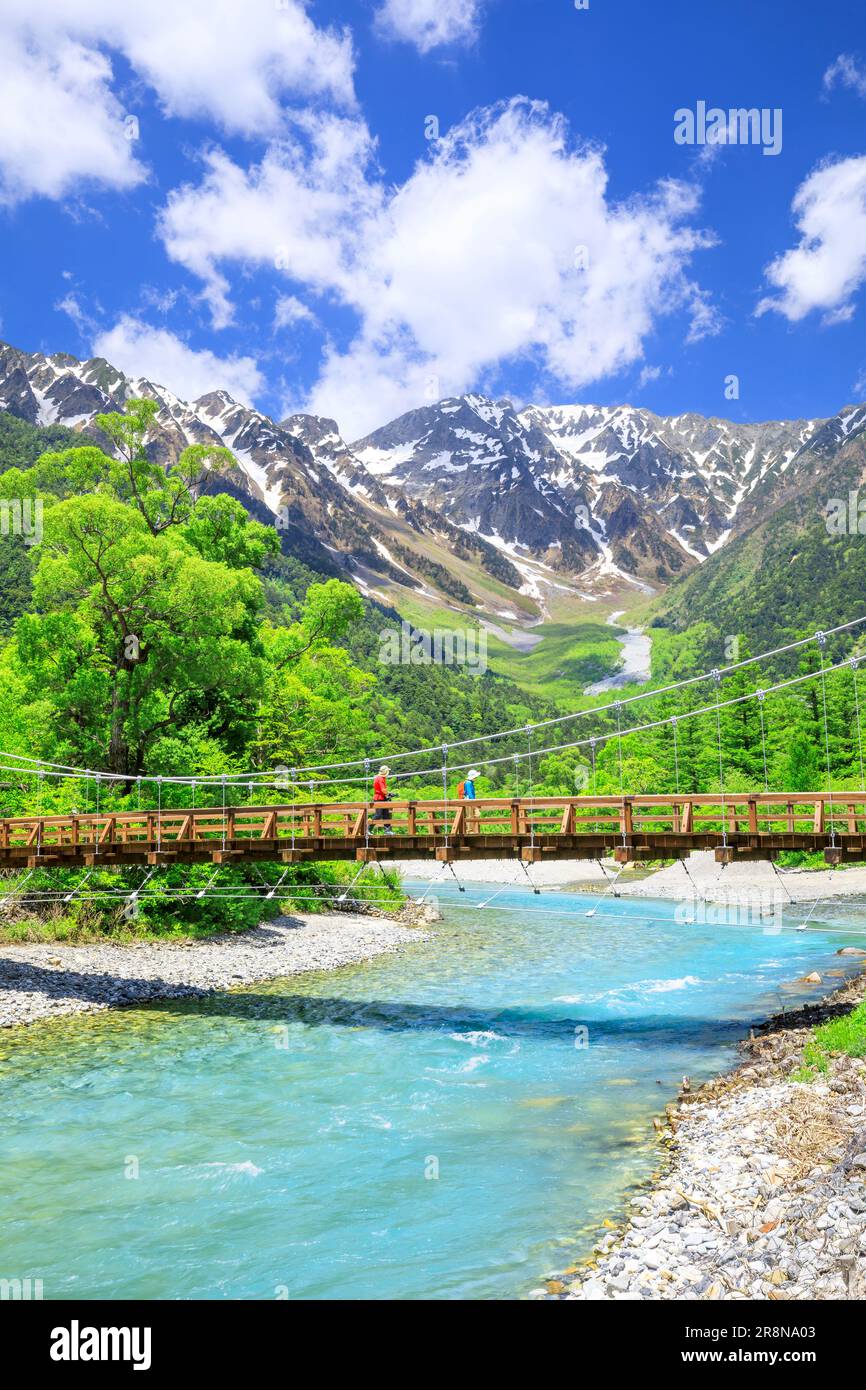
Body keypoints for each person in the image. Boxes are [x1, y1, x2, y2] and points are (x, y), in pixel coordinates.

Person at [372, 765, 393, 833]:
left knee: (386, 814)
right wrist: (388, 794)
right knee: (378, 814)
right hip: (379, 798)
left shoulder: (379, 778)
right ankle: (368, 828)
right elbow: (383, 790)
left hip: (382, 797)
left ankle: (387, 830)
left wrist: (387, 794)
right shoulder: (380, 778)